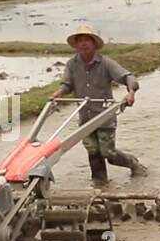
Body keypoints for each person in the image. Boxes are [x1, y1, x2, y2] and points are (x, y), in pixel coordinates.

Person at [51, 25, 147, 185]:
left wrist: (131, 92)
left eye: (87, 40)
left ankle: (132, 163)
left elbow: (127, 77)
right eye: (80, 41)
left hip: (104, 116)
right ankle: (100, 181)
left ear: (94, 43)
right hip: (85, 117)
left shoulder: (105, 63)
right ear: (76, 45)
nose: (84, 44)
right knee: (93, 151)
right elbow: (67, 85)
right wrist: (58, 93)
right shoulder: (72, 64)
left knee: (108, 153)